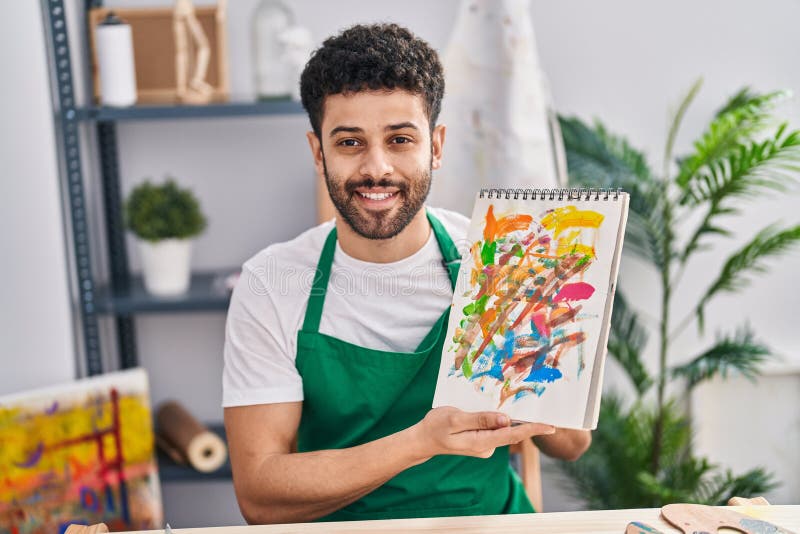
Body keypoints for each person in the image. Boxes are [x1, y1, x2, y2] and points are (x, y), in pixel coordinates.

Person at [222, 23, 591, 525]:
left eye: (400, 139)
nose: (377, 167)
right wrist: (420, 442)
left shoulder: (497, 263)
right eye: (350, 142)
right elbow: (260, 496)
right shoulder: (273, 283)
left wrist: (528, 348)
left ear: (435, 146)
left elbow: (571, 444)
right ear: (318, 153)